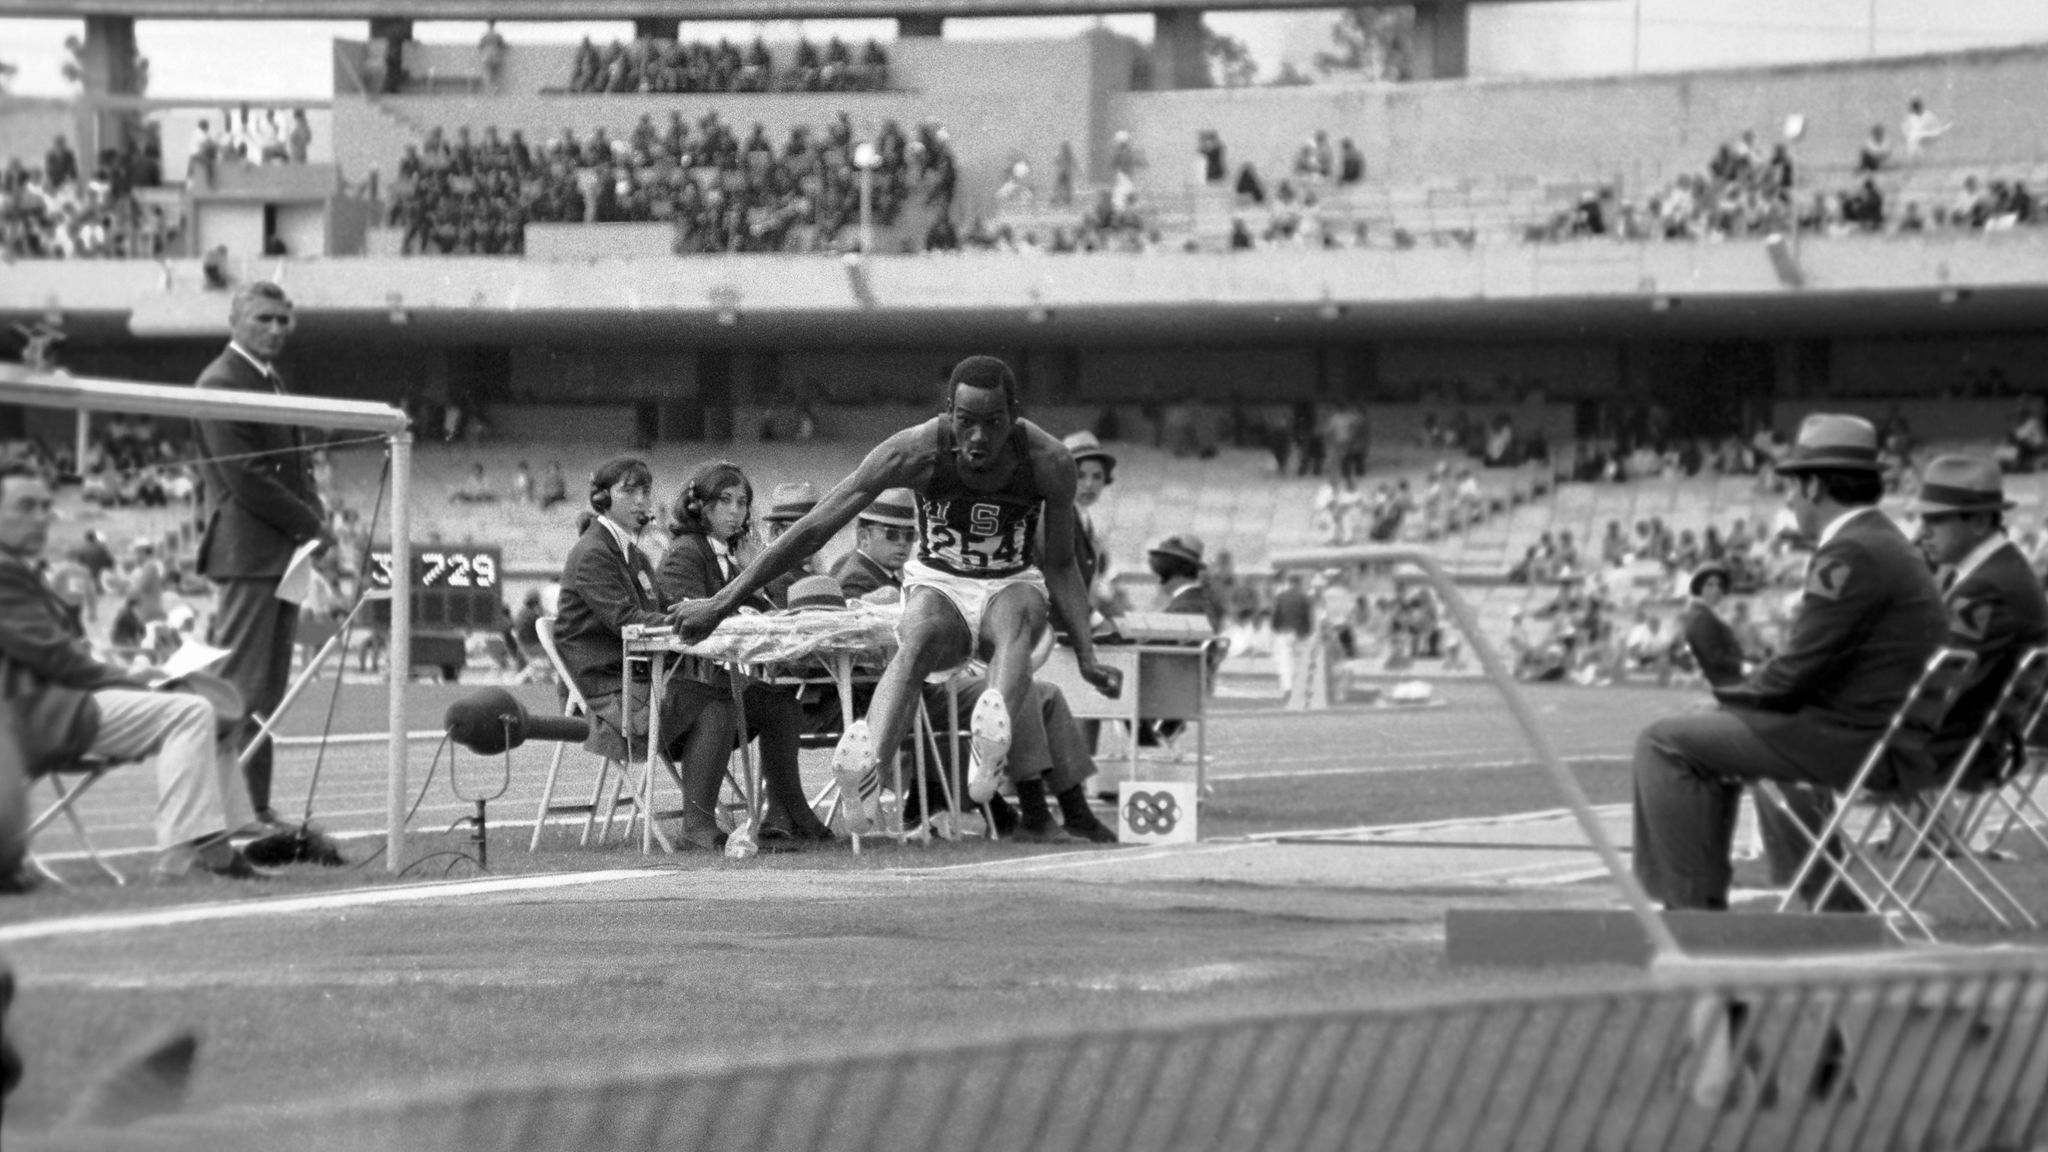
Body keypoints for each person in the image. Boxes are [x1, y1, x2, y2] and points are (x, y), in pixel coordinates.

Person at [673, 355, 1122, 834]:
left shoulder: (1048, 461)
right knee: (918, 641)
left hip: (1010, 580)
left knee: (1018, 616)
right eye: (966, 423)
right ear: (949, 412)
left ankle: (989, 751)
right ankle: (869, 770)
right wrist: (720, 605)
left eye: (993, 424)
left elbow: (1058, 563)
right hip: (940, 581)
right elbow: (815, 527)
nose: (978, 438)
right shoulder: (914, 451)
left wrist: (1089, 653)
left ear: (1014, 415)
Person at [1630, 414, 1947, 912]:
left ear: (1815, 484)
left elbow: (1794, 674)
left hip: (1854, 741)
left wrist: (1727, 698)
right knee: (1710, 733)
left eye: (1793, 487)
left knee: (1663, 742)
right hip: (1885, 734)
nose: (1790, 500)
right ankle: (1779, 901)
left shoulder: (1851, 552)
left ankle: (1691, 910)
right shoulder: (1883, 542)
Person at [0, 463, 267, 879]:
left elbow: (56, 652)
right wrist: (131, 678)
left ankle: (218, 850)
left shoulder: (19, 571)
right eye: (26, 506)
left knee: (204, 702)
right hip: (30, 718)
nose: (41, 517)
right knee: (190, 711)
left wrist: (129, 670)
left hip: (56, 705)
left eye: (46, 507)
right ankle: (181, 859)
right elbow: (53, 657)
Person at [192, 281, 330, 828]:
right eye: (263, 319)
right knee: (240, 686)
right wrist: (312, 523)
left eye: (283, 320)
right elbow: (245, 479)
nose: (275, 329)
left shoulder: (271, 381)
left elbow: (300, 469)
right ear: (235, 319)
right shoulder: (220, 381)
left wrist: (314, 525)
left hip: (283, 552)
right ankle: (218, 812)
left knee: (267, 692)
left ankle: (255, 807)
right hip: (248, 553)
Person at [553, 456, 736, 851]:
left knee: (722, 696)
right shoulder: (593, 553)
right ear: (602, 498)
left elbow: (657, 611)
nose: (641, 501)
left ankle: (701, 823)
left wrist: (695, 614)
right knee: (714, 702)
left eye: (645, 491)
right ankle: (699, 827)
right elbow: (625, 620)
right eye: (629, 491)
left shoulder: (634, 556)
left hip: (634, 681)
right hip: (604, 696)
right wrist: (689, 622)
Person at [655, 462, 836, 850]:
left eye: (742, 502)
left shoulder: (731, 555)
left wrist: (756, 567)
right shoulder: (686, 554)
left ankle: (787, 812)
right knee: (720, 707)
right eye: (725, 501)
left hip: (717, 685)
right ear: (699, 506)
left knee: (780, 705)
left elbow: (782, 605)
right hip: (678, 690)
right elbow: (685, 625)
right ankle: (697, 825)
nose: (736, 511)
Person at [1911, 456, 2048, 788]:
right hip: (1968, 745)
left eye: (1937, 519)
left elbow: (1938, 685)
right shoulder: (1994, 571)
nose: (1922, 531)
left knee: (1783, 752)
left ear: (1980, 522)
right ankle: (1922, 840)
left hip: (1953, 753)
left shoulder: (1985, 588)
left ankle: (1814, 843)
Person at [1064, 431, 1119, 628]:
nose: (1089, 485)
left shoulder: (1086, 519)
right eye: (1080, 476)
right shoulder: (1056, 519)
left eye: (1097, 476)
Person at [830, 488, 915, 600]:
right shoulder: (856, 581)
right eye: (892, 534)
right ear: (863, 536)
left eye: (910, 535)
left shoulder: (858, 566)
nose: (902, 542)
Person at [1680, 562, 1746, 688]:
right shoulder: (1701, 617)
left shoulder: (1710, 614)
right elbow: (1715, 659)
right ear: (1700, 587)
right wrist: (1747, 668)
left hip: (1730, 677)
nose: (1716, 590)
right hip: (1725, 682)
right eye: (1710, 585)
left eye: (1719, 585)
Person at [1271, 572, 1315, 697]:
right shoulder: (1304, 597)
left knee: (1285, 662)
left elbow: (1276, 616)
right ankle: (1302, 686)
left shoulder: (1281, 597)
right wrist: (1307, 632)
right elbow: (1307, 618)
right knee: (1300, 661)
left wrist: (1276, 628)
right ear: (1299, 583)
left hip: (1284, 632)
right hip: (1300, 633)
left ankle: (1288, 689)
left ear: (1289, 583)